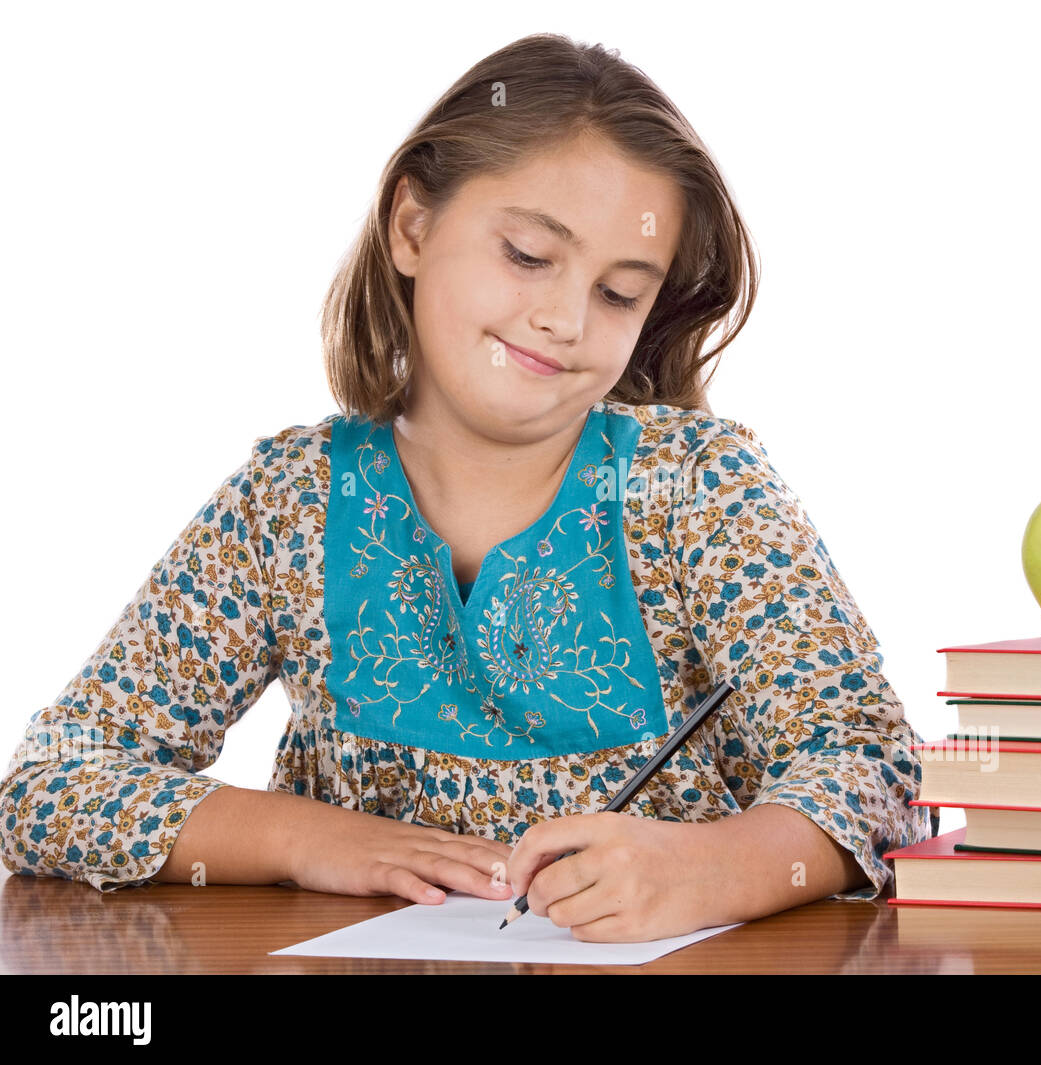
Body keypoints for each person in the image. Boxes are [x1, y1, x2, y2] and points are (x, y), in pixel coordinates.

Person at [0, 32, 938, 943]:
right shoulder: (285, 500)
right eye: (529, 254)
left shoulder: (699, 487)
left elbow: (877, 771)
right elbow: (51, 782)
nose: (564, 317)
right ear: (412, 224)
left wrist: (712, 868)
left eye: (619, 293)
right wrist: (306, 834)